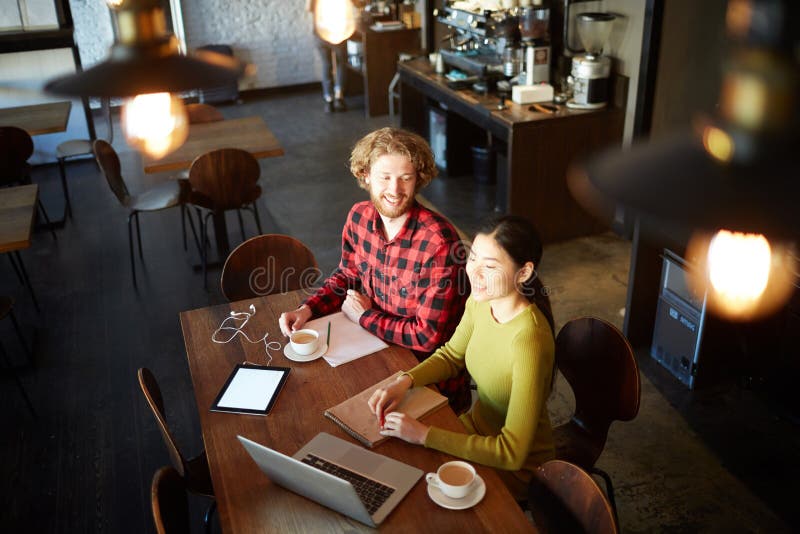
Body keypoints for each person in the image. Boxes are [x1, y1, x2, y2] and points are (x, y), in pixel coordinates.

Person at [279, 127, 471, 412]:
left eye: (406, 178)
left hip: (426, 378)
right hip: (373, 349)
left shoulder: (439, 242)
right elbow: (347, 275)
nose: (395, 190)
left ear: (418, 179)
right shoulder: (358, 216)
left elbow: (427, 336)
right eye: (385, 177)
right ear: (365, 175)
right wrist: (308, 309)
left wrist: (364, 316)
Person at [367, 215, 556, 499]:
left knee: (417, 490)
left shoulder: (529, 340)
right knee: (397, 459)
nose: (475, 273)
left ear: (524, 273)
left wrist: (424, 434)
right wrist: (404, 380)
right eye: (473, 259)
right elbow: (451, 356)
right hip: (475, 432)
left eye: (490, 266)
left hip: (517, 467)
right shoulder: (482, 301)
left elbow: (512, 453)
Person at [307, 0, 348, 112]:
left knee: (326, 65)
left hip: (320, 35)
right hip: (337, 32)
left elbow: (309, 9)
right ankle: (339, 97)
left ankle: (329, 99)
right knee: (341, 64)